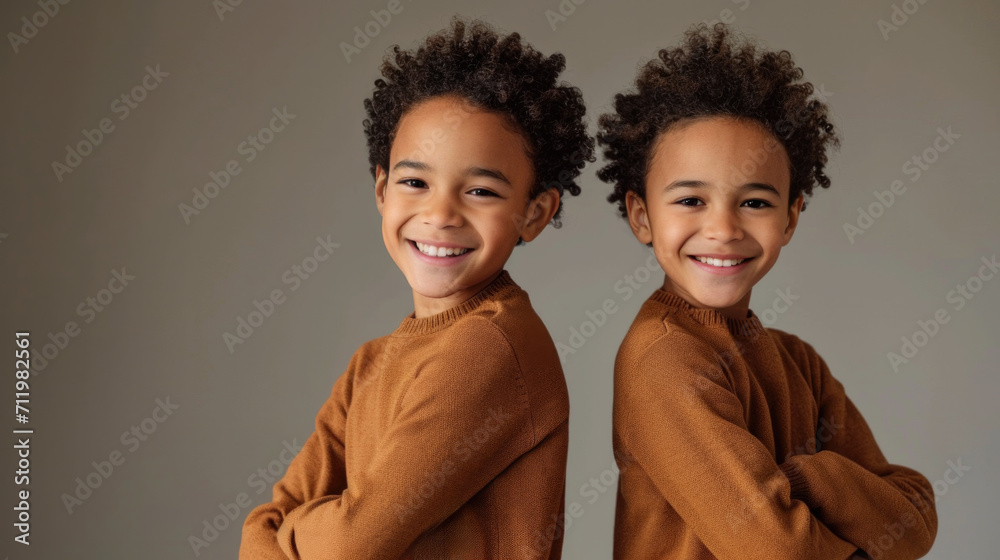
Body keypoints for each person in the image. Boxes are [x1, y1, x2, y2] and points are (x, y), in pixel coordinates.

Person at [239, 17, 594, 559]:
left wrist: (287, 535)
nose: (441, 214)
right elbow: (256, 534)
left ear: (535, 212)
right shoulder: (370, 366)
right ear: (382, 190)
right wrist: (294, 532)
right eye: (415, 182)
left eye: (480, 190)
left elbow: (346, 545)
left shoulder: (491, 347)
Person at [598, 22, 938, 560]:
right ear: (641, 215)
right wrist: (848, 513)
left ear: (791, 217)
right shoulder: (663, 358)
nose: (724, 229)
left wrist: (811, 477)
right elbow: (779, 550)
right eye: (690, 200)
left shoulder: (801, 363)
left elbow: (915, 520)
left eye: (754, 202)